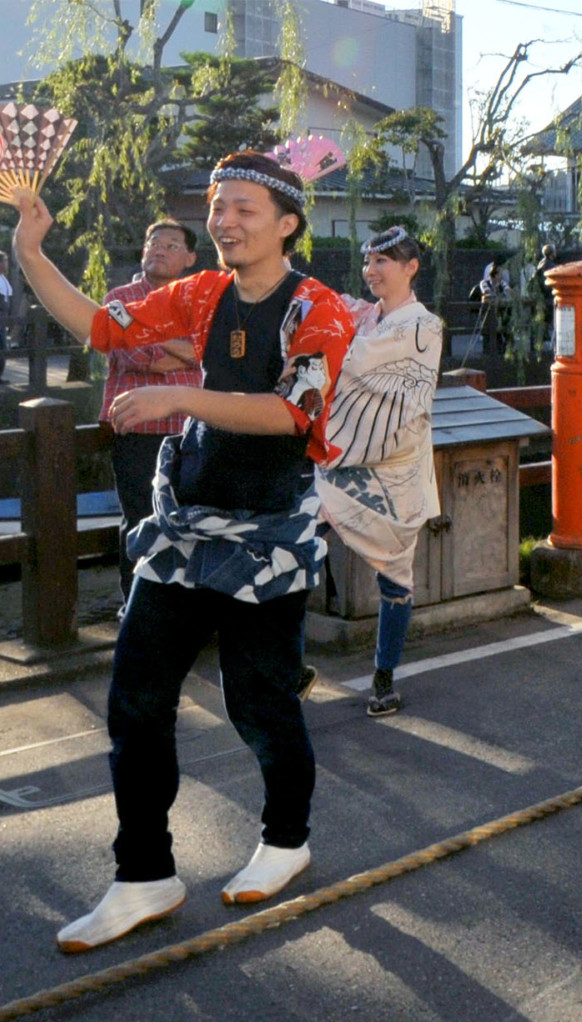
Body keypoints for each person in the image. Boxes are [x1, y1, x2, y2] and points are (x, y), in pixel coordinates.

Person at [8, 151, 353, 951]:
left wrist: (178, 393)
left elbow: (292, 413)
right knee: (135, 694)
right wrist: (29, 250)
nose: (223, 220)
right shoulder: (202, 293)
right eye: (217, 206)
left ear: (287, 224)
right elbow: (101, 327)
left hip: (267, 530)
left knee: (257, 699)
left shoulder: (319, 308)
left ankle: (286, 838)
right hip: (186, 520)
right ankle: (143, 874)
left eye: (243, 209)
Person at [315, 227, 442, 716]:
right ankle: (284, 663)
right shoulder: (363, 315)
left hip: (396, 463)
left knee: (395, 577)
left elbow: (361, 365)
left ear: (411, 267)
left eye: (382, 261)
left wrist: (338, 351)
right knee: (297, 545)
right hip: (343, 458)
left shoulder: (424, 326)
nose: (371, 271)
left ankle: (383, 676)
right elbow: (323, 313)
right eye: (368, 262)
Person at [101, 220, 201, 603]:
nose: (159, 249)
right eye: (153, 242)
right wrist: (183, 350)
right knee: (141, 516)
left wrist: (157, 336)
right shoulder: (118, 302)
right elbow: (137, 356)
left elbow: (207, 352)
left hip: (191, 427)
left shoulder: (199, 302)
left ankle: (183, 607)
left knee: (192, 517)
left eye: (171, 245)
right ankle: (135, 606)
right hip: (139, 427)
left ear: (189, 258)